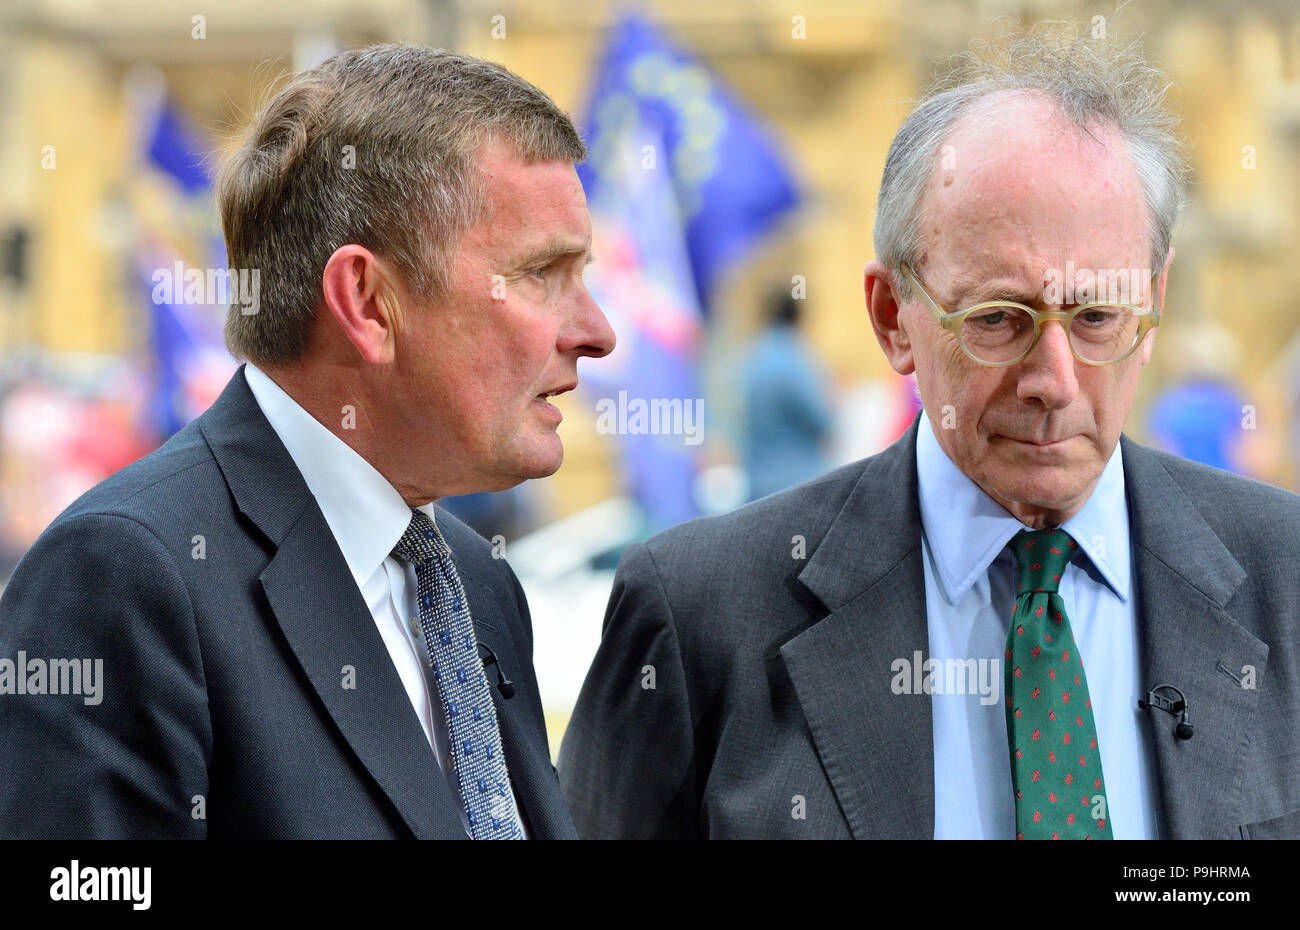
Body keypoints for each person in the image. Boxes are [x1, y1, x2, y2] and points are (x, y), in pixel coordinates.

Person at [558, 27, 1300, 839]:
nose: (1052, 381)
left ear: (1153, 302)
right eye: (997, 319)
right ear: (891, 317)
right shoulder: (701, 613)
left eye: (1096, 317)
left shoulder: (1285, 578)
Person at [0, 44, 614, 839]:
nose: (596, 332)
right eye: (541, 274)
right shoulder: (127, 577)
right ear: (366, 301)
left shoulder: (474, 584)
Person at [740, 291, 833, 501]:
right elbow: (822, 421)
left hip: (758, 485)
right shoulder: (796, 361)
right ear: (797, 318)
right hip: (798, 483)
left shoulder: (753, 359)